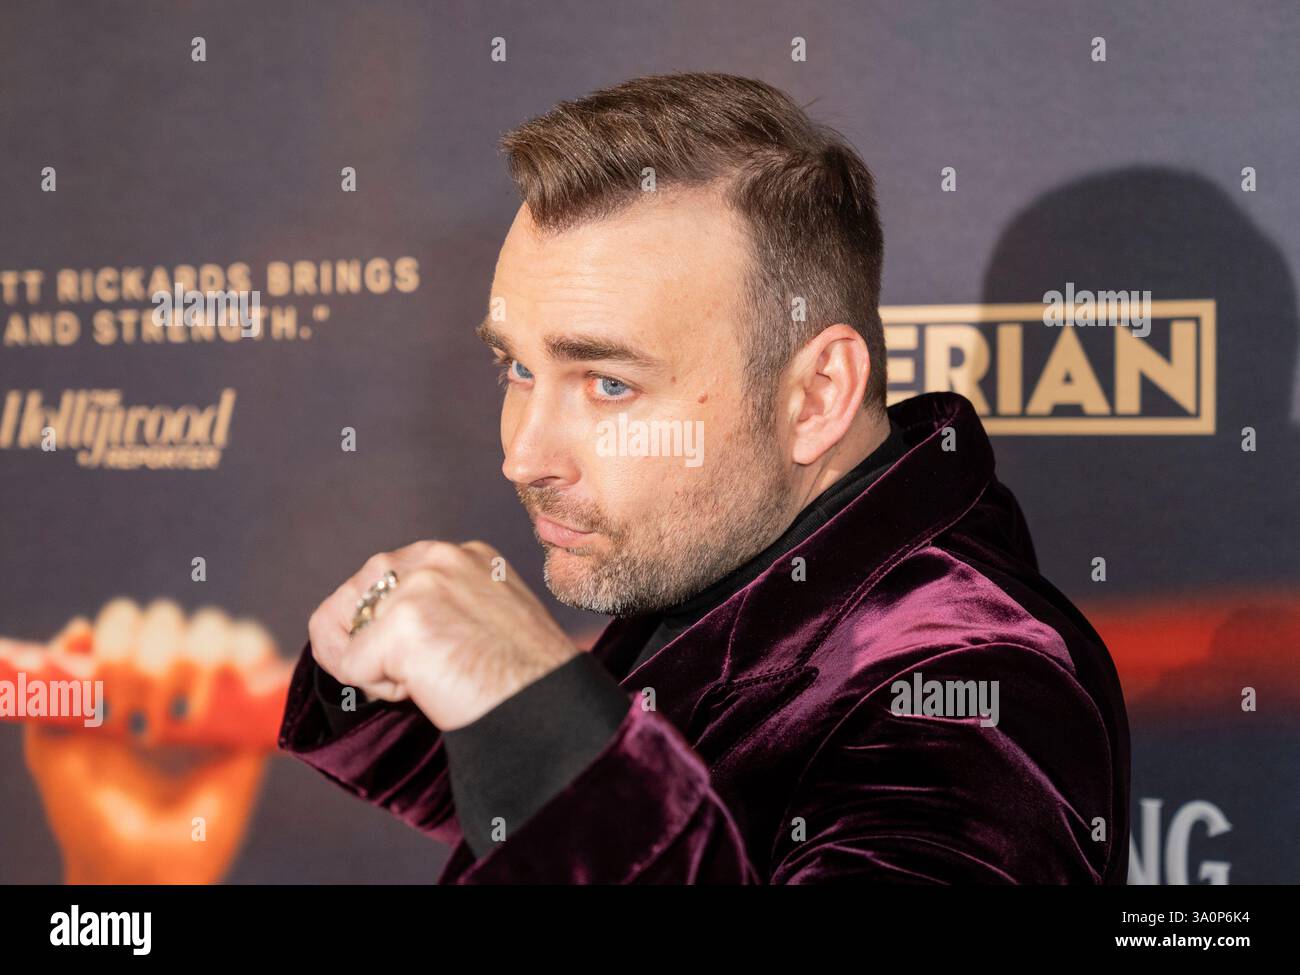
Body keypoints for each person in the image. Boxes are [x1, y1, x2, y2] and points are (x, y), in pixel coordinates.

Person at [278, 71, 1129, 884]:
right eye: (517, 368)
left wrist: (532, 710)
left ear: (817, 395)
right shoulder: (750, 563)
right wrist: (386, 677)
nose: (523, 456)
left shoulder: (973, 690)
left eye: (609, 382)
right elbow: (604, 807)